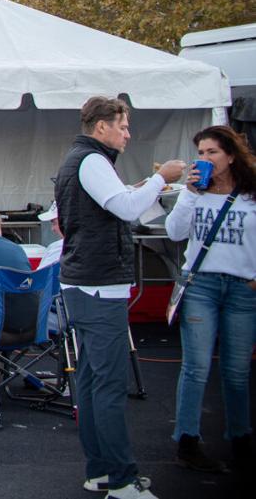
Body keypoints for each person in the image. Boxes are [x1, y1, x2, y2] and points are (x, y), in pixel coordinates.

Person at [54, 95, 184, 499]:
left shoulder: (85, 160)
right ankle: (122, 481)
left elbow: (119, 200)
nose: (128, 134)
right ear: (101, 127)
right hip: (97, 284)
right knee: (107, 384)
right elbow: (126, 208)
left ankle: (102, 472)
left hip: (87, 281)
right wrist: (162, 179)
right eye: (123, 126)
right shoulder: (91, 161)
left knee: (94, 381)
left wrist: (149, 185)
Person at [163, 124, 256, 474]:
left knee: (236, 370)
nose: (204, 159)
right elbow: (174, 233)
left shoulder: (250, 195)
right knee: (196, 365)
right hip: (200, 284)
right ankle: (187, 440)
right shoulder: (195, 193)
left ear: (231, 156)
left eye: (212, 152)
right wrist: (189, 193)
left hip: (242, 287)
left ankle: (240, 438)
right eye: (200, 153)